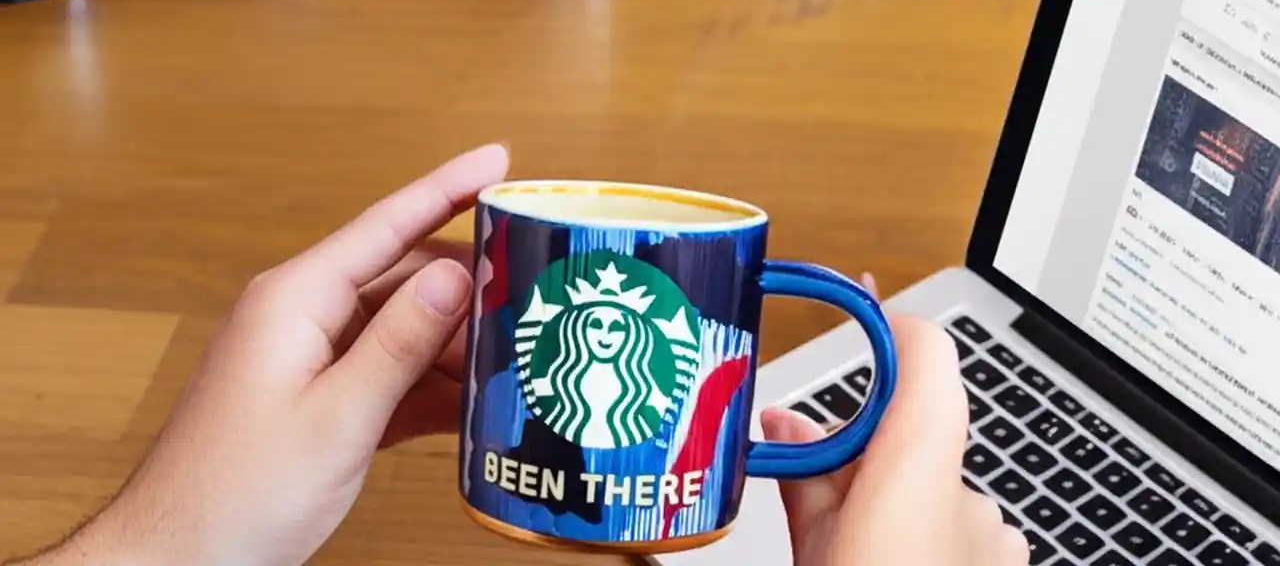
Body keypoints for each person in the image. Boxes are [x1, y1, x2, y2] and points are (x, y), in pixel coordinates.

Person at [7, 144, 1030, 566]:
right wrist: (165, 543)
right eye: (590, 322)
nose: (605, 331)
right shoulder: (525, 396)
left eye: (621, 325)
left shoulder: (651, 395)